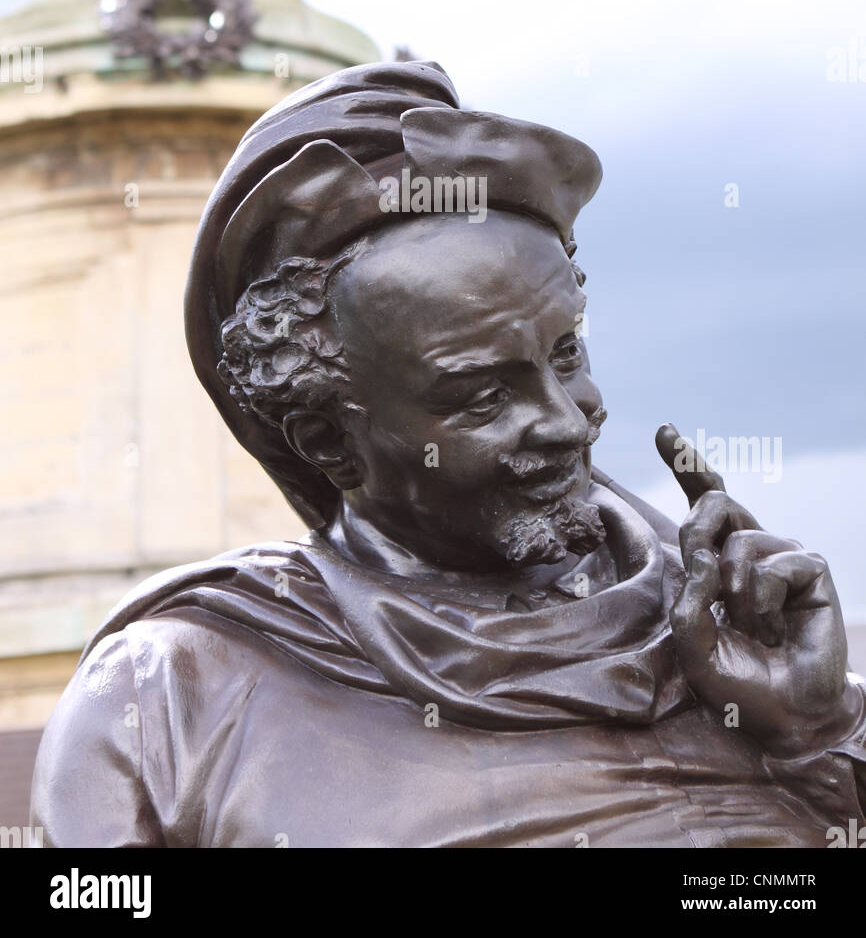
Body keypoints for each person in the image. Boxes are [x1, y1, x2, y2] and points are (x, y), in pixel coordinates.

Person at [31, 61, 866, 847]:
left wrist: (820, 735)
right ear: (328, 441)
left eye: (565, 356)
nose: (571, 424)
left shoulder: (728, 643)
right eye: (484, 397)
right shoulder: (168, 700)